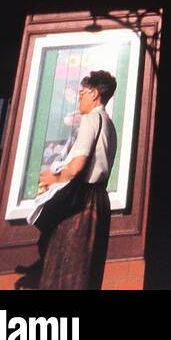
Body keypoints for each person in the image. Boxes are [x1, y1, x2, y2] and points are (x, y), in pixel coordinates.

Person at [36, 69, 118, 291]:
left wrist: (54, 178)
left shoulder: (91, 119)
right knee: (88, 270)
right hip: (99, 200)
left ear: (93, 94)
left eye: (82, 93)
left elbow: (77, 166)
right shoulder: (109, 124)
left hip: (82, 202)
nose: (79, 98)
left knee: (69, 269)